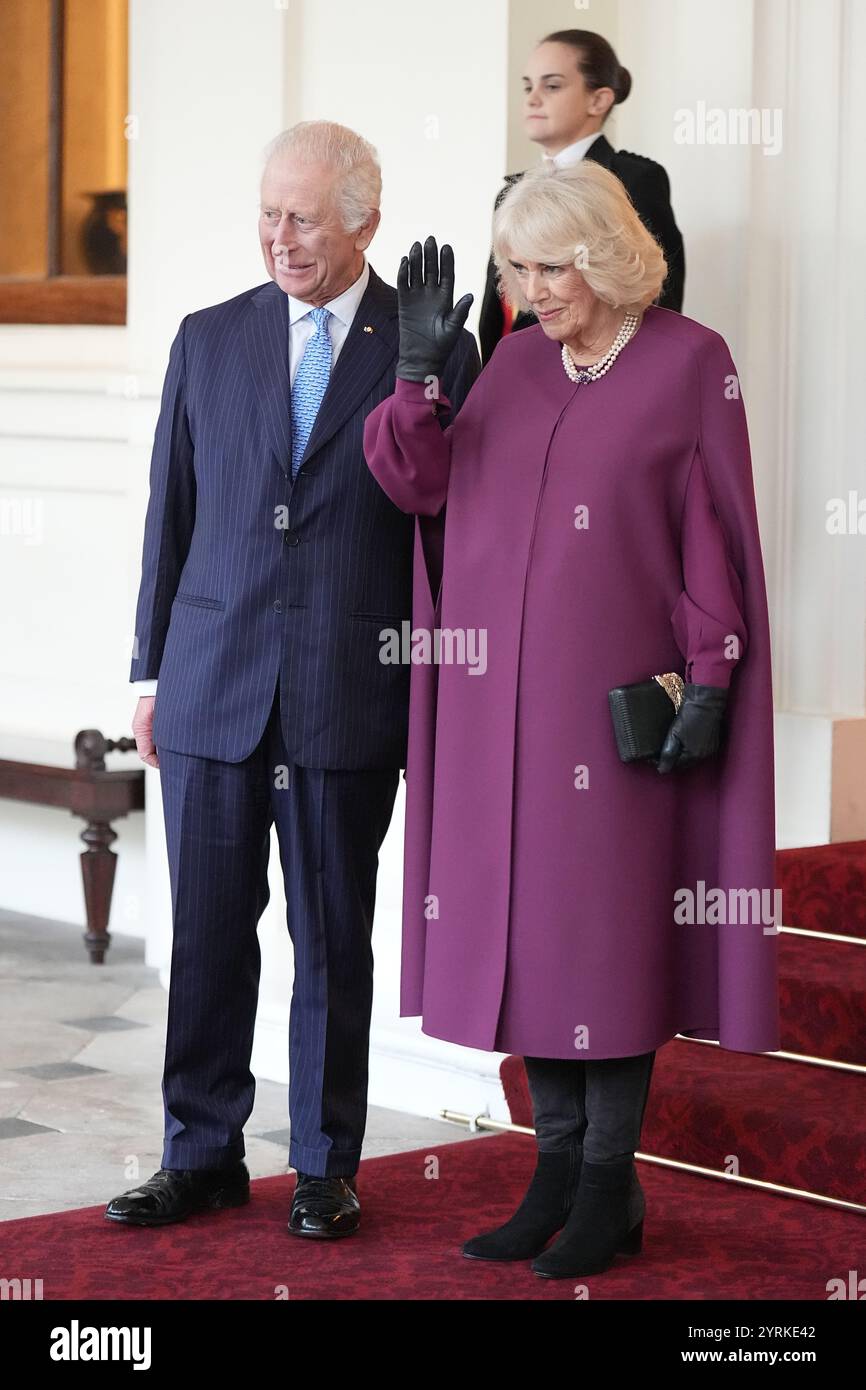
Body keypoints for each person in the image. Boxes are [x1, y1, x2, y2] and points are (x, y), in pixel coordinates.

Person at [364, 160, 779, 1279]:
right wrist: (413, 384)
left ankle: (606, 1187)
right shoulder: (510, 363)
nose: (532, 288)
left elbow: (712, 531)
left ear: (603, 255)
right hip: (502, 714)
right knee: (532, 948)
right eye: (517, 267)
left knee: (606, 947)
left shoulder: (690, 363)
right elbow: (424, 488)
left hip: (613, 716)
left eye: (550, 265)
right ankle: (551, 1172)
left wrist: (711, 673)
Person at [106, 121, 479, 1236]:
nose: (279, 235)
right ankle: (199, 1153)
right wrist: (147, 676)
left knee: (330, 939)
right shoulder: (206, 338)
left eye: (303, 216)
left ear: (364, 218)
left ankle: (323, 1163)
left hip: (342, 689)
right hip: (212, 683)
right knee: (210, 934)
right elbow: (170, 519)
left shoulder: (428, 347)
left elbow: (450, 520)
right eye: (268, 212)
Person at [479, 27, 685, 363]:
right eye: (528, 86)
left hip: (603, 378)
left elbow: (659, 299)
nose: (532, 98)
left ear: (598, 99)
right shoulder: (510, 194)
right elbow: (499, 313)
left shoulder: (634, 180)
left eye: (552, 85)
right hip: (516, 378)